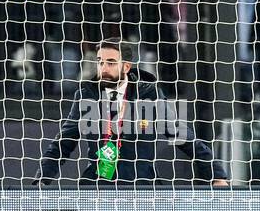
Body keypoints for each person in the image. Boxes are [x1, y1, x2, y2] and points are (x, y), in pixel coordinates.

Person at [34, 40, 229, 187]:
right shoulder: (86, 95)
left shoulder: (148, 93)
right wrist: (42, 180)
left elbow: (180, 134)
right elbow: (63, 143)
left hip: (142, 186)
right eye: (100, 62)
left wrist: (216, 175)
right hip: (97, 188)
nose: (104, 69)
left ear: (126, 67)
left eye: (111, 63)